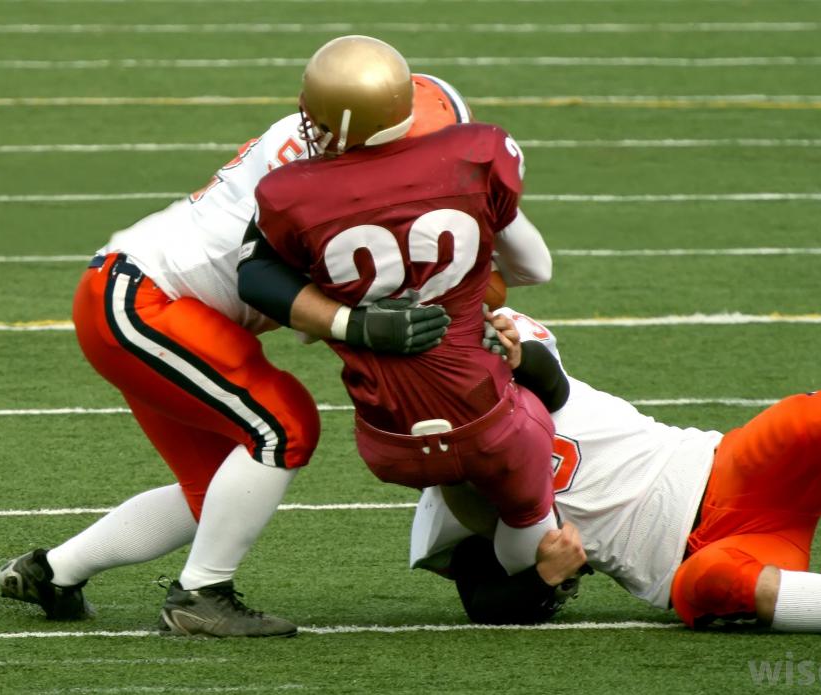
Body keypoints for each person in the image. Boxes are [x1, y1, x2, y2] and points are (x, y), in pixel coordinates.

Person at [0, 70, 479, 638]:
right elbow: (267, 285)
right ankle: (200, 595)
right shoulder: (322, 178)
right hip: (146, 301)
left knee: (216, 494)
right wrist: (364, 325)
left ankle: (52, 572)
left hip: (137, 296)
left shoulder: (324, 148)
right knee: (285, 425)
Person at [409, 308, 821, 644]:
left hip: (729, 472)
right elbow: (485, 605)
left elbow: (544, 374)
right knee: (711, 585)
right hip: (695, 562)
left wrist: (506, 354)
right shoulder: (457, 487)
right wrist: (543, 577)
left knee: (815, 417)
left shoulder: (543, 384)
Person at [243, 35, 573, 576]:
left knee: (471, 454)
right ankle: (534, 572)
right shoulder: (480, 153)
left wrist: (354, 316)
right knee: (527, 375)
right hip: (492, 422)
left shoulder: (290, 193)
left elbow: (267, 288)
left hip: (386, 438)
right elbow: (534, 267)